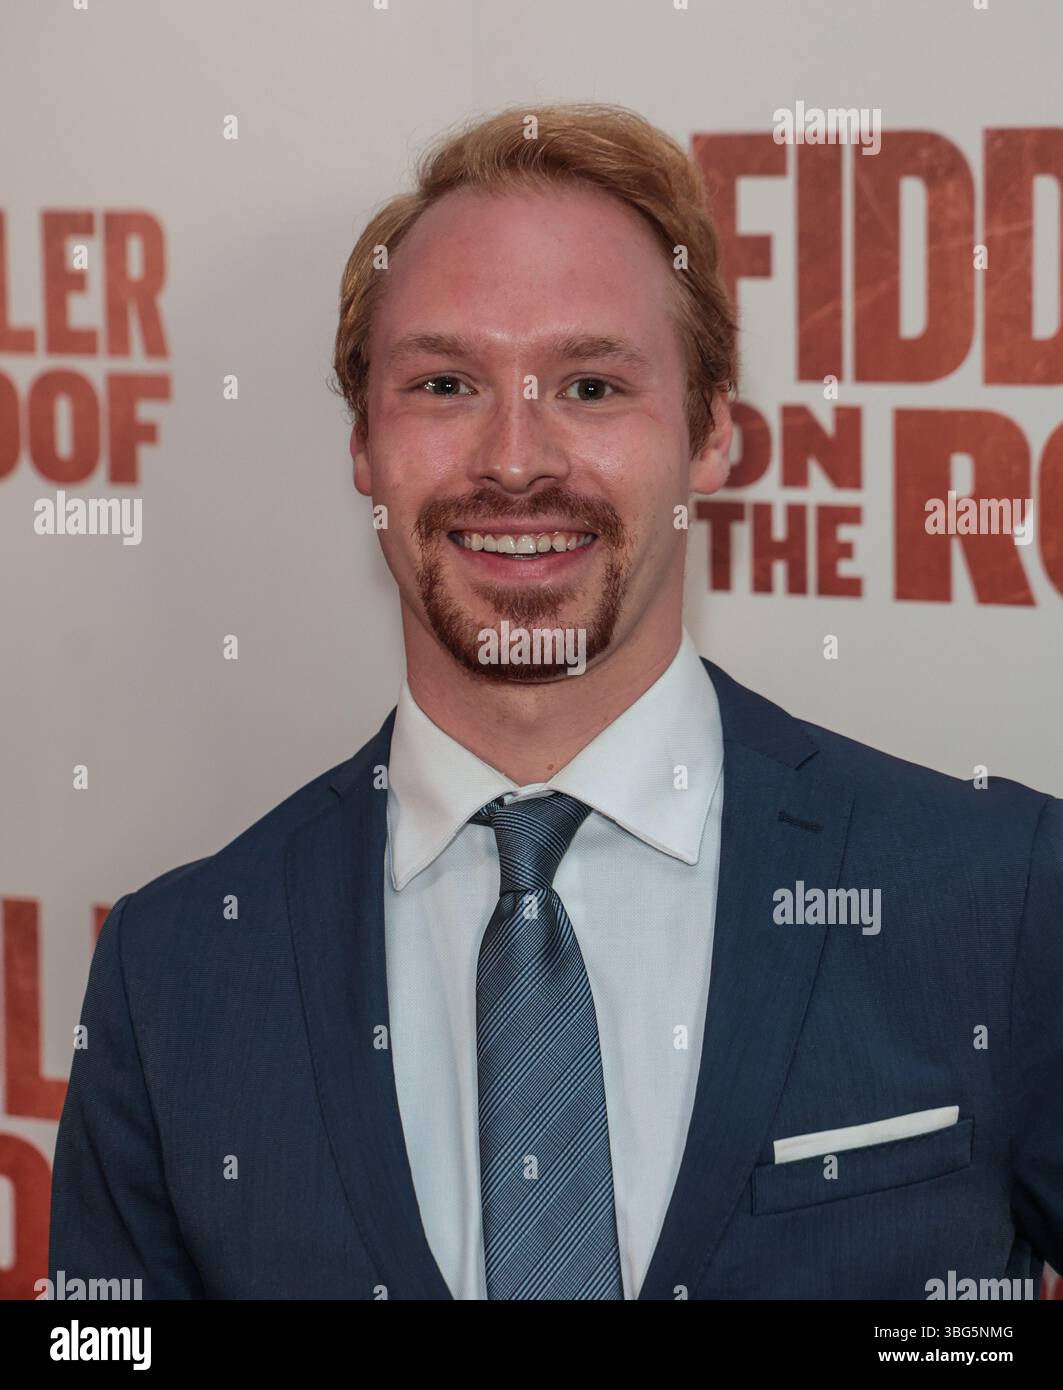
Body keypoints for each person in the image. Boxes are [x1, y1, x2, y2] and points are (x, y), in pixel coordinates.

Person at [49, 103, 1062, 1300]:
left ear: (712, 436)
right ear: (364, 447)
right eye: (443, 382)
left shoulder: (1003, 899)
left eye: (588, 383)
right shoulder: (176, 971)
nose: (516, 459)